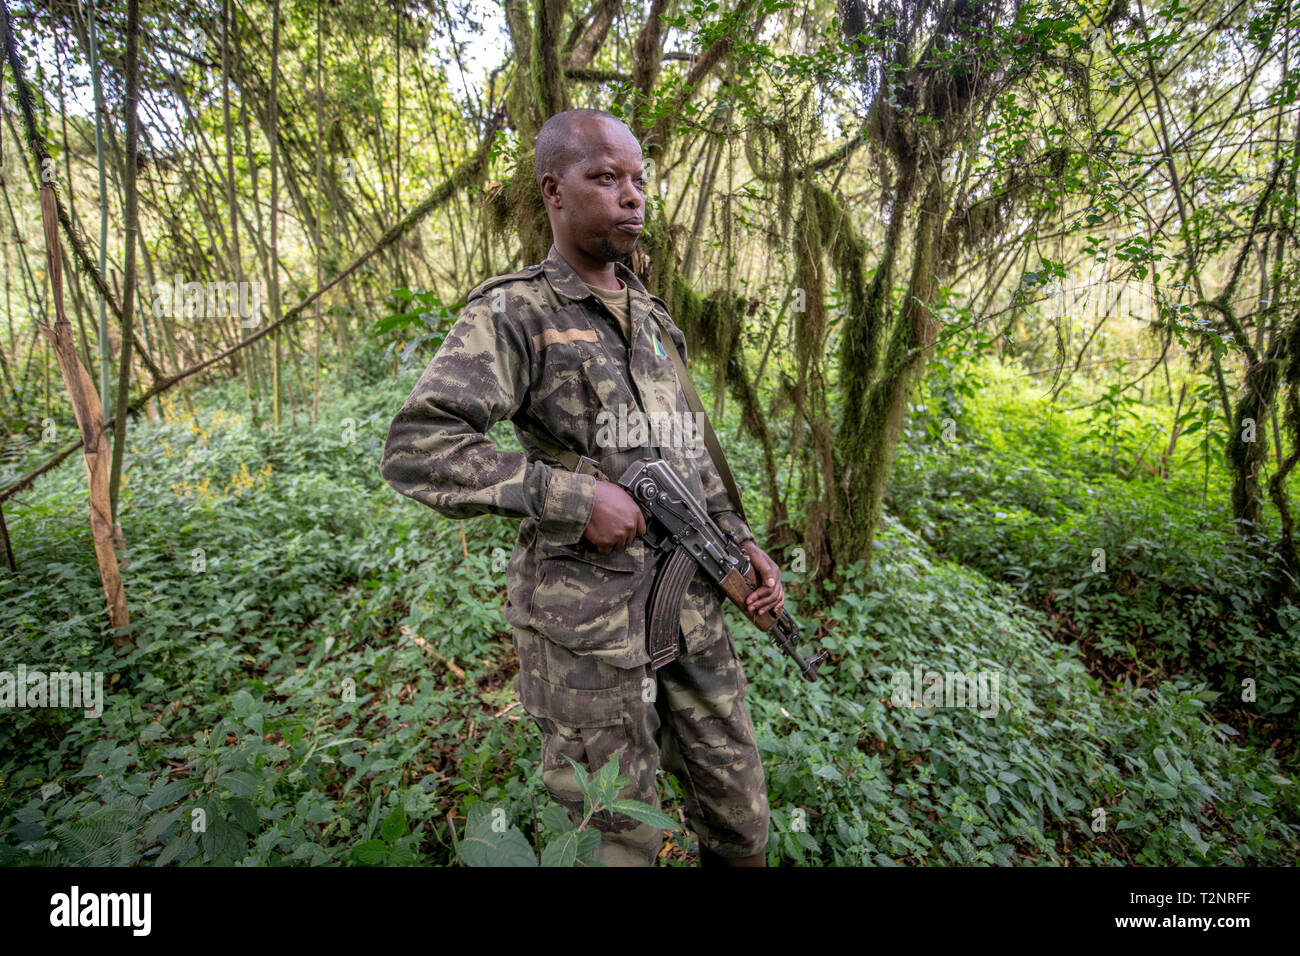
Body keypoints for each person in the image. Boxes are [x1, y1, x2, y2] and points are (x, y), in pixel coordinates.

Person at [380, 108, 785, 866]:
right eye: (606, 178)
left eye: (638, 179)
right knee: (616, 845)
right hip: (587, 635)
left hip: (693, 608)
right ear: (553, 191)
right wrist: (573, 499)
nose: (632, 196)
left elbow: (690, 452)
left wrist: (741, 544)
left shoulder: (655, 316)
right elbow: (417, 448)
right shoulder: (514, 310)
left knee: (742, 828)